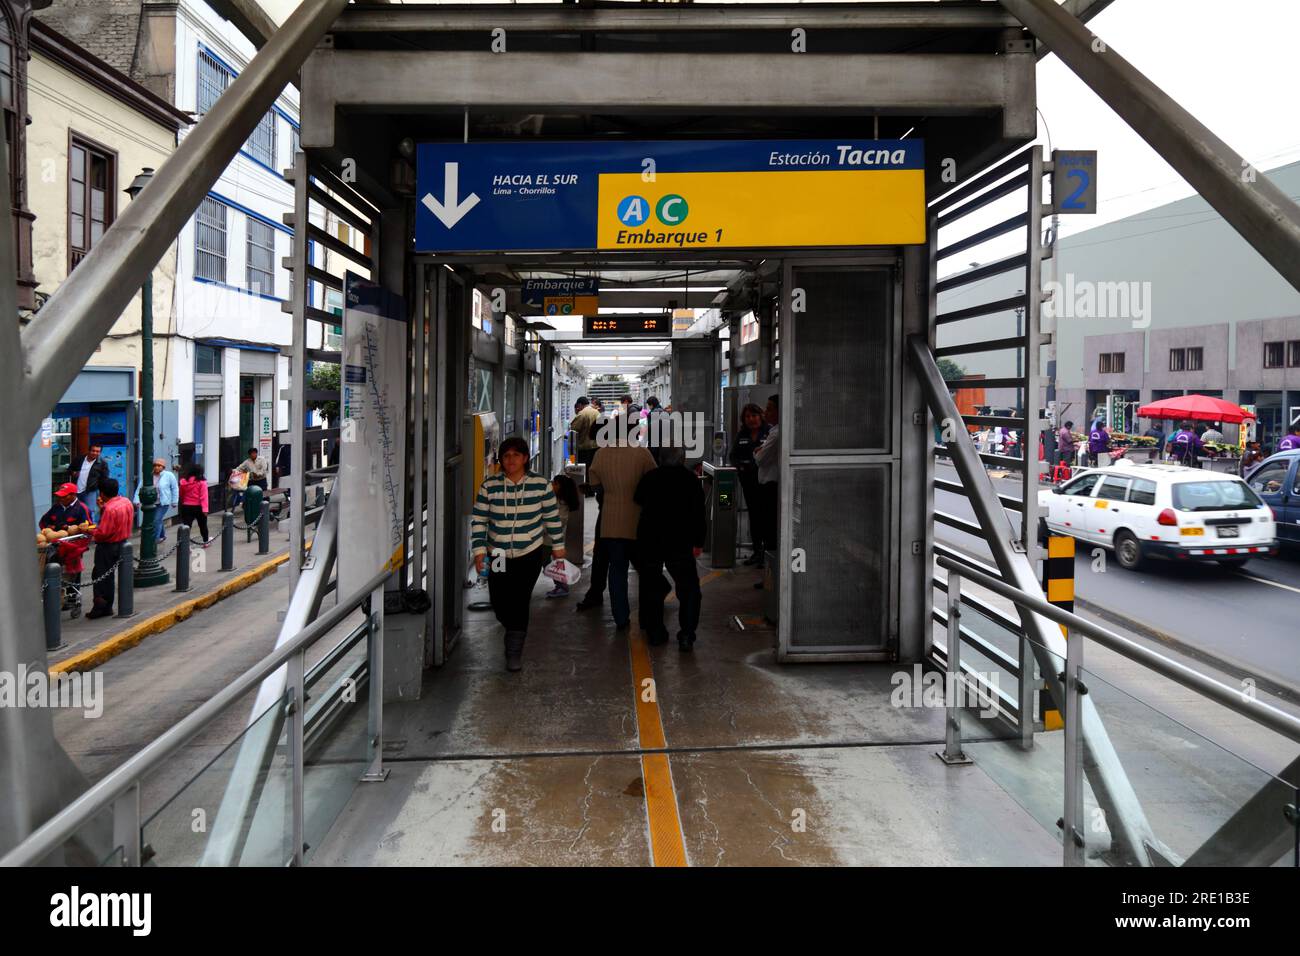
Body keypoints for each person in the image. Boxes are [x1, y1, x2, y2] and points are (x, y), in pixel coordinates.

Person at [471, 436, 566, 672]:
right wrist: (480, 551)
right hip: (499, 554)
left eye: (515, 455)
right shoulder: (489, 486)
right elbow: (480, 521)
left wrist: (558, 546)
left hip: (529, 553)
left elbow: (551, 518)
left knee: (521, 599)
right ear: (501, 459)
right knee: (499, 600)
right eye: (506, 456)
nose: (510, 460)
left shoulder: (540, 485)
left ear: (525, 458)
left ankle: (513, 652)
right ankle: (511, 626)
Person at [634, 445, 706, 651]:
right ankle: (686, 635)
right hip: (681, 543)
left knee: (651, 587)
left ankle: (655, 633)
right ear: (682, 459)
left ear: (660, 459)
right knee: (689, 589)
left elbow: (637, 500)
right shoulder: (691, 480)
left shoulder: (650, 478)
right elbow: (698, 515)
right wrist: (699, 542)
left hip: (650, 540)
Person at [586, 430, 657, 631]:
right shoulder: (642, 452)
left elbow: (595, 485)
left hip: (610, 523)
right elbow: (653, 480)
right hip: (637, 523)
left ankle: (621, 618)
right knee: (646, 570)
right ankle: (647, 615)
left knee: (617, 571)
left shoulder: (601, 454)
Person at [40, 483, 94, 618]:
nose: (61, 499)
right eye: (59, 496)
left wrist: (73, 533)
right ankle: (57, 595)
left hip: (72, 547)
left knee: (72, 573)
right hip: (54, 545)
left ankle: (73, 597)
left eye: (64, 497)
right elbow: (43, 522)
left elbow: (89, 528)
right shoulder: (56, 507)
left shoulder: (81, 509)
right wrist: (51, 528)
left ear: (73, 495)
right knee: (53, 569)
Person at [86, 478, 134, 619]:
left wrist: (90, 531)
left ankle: (101, 606)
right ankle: (107, 606)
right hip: (123, 542)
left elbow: (103, 533)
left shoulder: (110, 509)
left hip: (108, 546)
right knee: (108, 576)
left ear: (102, 493)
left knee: (101, 576)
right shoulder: (126, 502)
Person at [731, 403, 771, 566]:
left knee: (766, 518)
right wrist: (741, 466)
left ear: (760, 416)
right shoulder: (742, 434)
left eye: (754, 416)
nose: (751, 419)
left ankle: (768, 553)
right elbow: (733, 456)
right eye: (748, 416)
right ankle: (757, 551)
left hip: (767, 483)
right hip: (748, 482)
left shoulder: (769, 432)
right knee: (754, 517)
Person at [750, 394, 780, 589]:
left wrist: (756, 452)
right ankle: (771, 577)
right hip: (767, 488)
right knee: (766, 532)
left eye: (769, 408)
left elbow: (760, 459)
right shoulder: (774, 431)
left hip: (771, 488)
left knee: (771, 536)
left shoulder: (776, 433)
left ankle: (772, 580)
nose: (765, 412)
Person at [546, 473, 581, 599]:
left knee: (550, 562)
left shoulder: (561, 503)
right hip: (551, 539)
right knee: (553, 562)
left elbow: (559, 521)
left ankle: (562, 586)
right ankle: (561, 586)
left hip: (552, 539)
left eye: (554, 483)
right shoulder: (557, 500)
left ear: (561, 487)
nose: (551, 485)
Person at [134, 458, 179, 542]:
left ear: (163, 467)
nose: (156, 467)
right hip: (152, 502)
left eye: (159, 466)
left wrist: (174, 501)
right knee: (158, 519)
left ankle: (155, 539)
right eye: (155, 465)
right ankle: (162, 535)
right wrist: (137, 499)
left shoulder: (169, 475)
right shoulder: (149, 476)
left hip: (163, 503)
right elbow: (140, 488)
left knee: (156, 520)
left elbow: (174, 488)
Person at [69, 444, 109, 522]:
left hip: (91, 491)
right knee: (76, 511)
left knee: (90, 511)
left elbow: (104, 479)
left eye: (97, 451)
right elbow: (70, 469)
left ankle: (92, 531)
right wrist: (73, 473)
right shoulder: (79, 459)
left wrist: (101, 494)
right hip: (76, 490)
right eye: (93, 451)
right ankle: (80, 530)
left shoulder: (102, 463)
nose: (95, 453)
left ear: (100, 453)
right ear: (89, 451)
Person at [179, 464, 211, 545]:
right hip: (199, 507)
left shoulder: (184, 482)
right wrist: (205, 509)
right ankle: (205, 541)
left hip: (186, 506)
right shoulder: (202, 482)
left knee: (186, 526)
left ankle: (185, 546)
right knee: (203, 525)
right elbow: (204, 497)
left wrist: (183, 502)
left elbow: (181, 494)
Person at [570, 396, 599, 483]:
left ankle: (585, 488)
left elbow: (573, 430)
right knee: (593, 468)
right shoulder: (597, 412)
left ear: (579, 405)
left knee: (584, 469)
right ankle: (592, 488)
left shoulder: (582, 414)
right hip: (596, 446)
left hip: (584, 448)